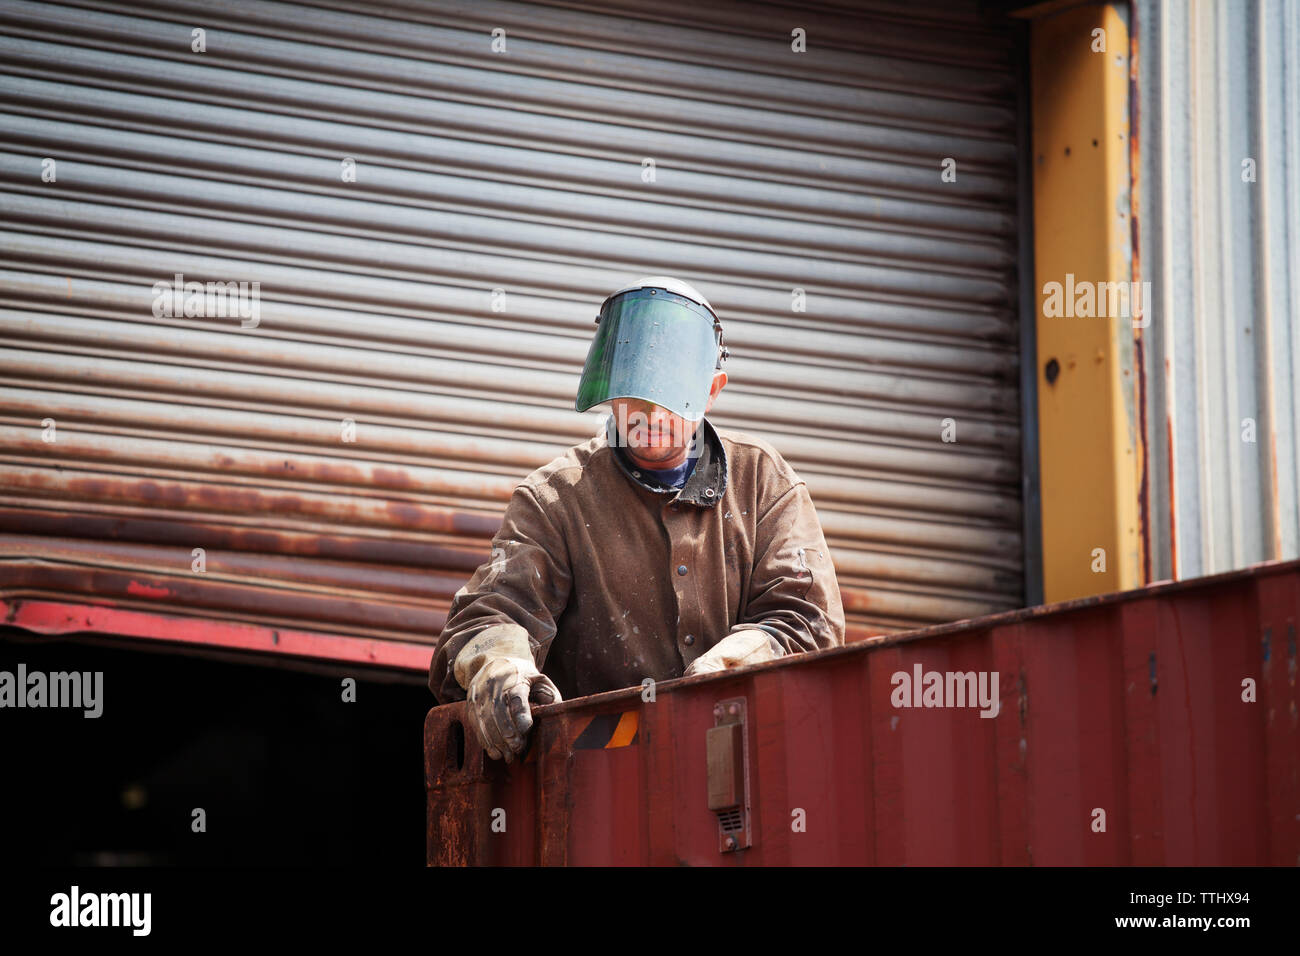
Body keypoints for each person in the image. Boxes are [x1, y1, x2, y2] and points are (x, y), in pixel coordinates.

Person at [428, 276, 845, 761]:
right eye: (634, 396)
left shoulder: (763, 480)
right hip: (597, 773)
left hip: (737, 757)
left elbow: (807, 621)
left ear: (711, 391)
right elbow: (489, 615)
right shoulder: (556, 498)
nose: (647, 414)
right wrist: (498, 664)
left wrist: (727, 670)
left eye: (669, 396)